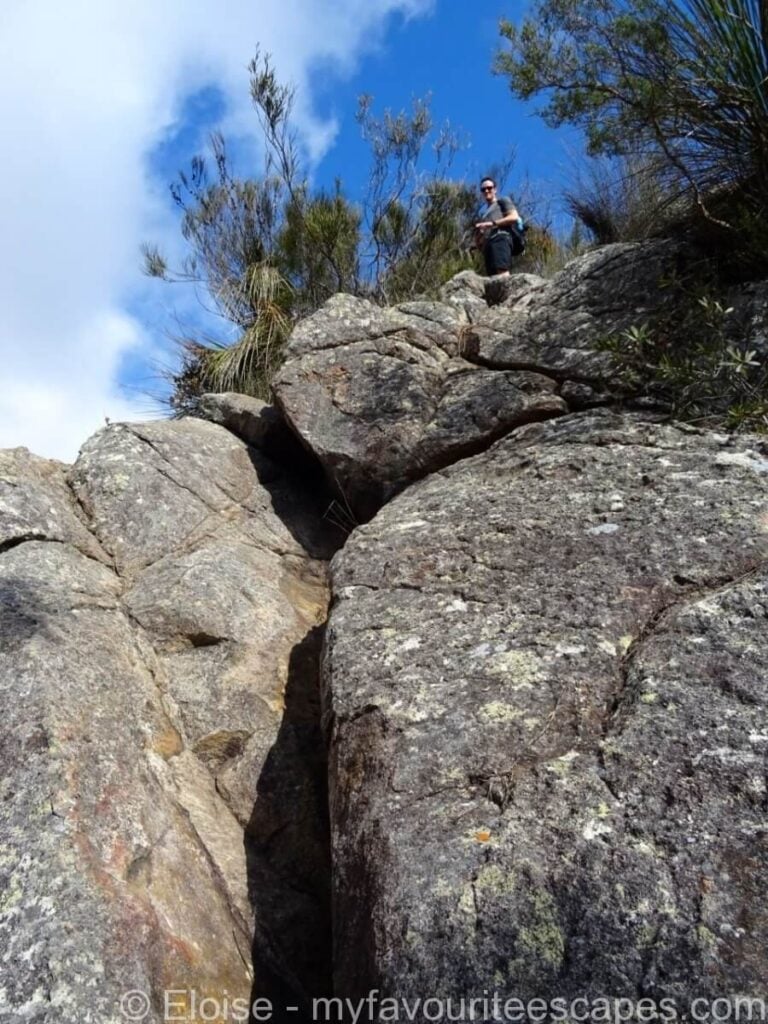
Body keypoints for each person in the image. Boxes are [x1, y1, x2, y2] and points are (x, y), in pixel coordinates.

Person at [474, 177, 522, 277]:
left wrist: (492, 223)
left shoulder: (502, 201)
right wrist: (479, 237)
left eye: (489, 188)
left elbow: (514, 217)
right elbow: (479, 244)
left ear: (495, 189)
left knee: (502, 272)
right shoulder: (484, 215)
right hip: (488, 247)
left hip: (501, 238)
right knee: (493, 278)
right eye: (483, 189)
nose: (486, 191)